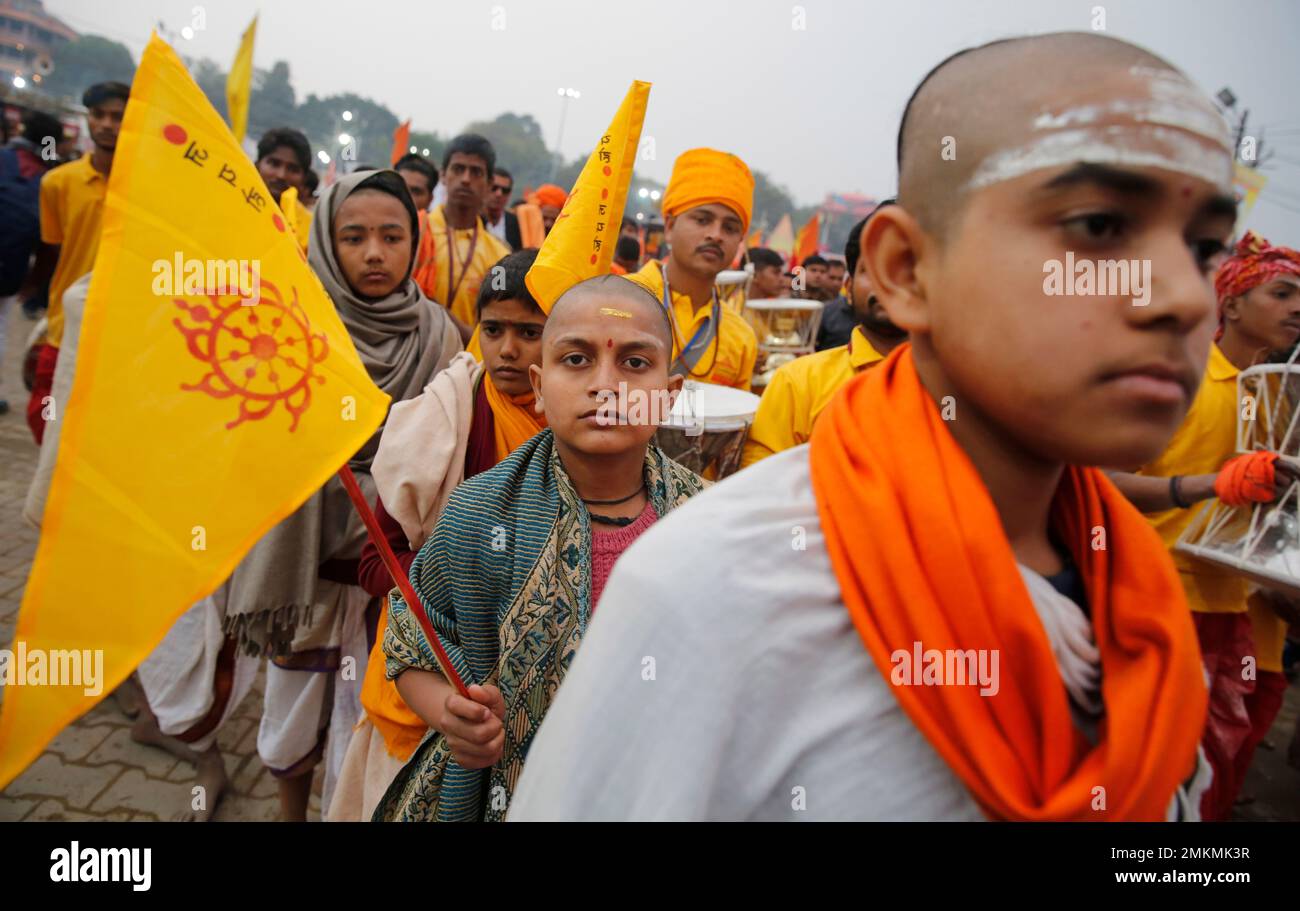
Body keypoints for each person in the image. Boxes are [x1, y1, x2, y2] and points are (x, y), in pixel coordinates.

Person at [509, 31, 1231, 821]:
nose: (1183, 297)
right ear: (905, 273)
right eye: (1099, 227)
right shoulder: (716, 590)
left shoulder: (1140, 605)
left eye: (1204, 249)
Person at [136, 169, 461, 821]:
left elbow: (443, 449)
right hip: (301, 557)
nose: (374, 252)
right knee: (293, 704)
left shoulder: (441, 335)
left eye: (392, 236)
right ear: (325, 240)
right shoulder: (291, 328)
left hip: (388, 567)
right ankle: (288, 810)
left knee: (365, 709)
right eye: (354, 236)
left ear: (415, 243)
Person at [375, 275, 706, 821]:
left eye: (635, 363)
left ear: (669, 396)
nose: (606, 384)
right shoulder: (479, 514)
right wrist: (452, 715)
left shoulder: (703, 522)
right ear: (539, 385)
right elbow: (411, 639)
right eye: (575, 360)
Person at [328, 249, 548, 820]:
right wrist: (439, 596)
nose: (507, 349)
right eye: (493, 328)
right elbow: (378, 560)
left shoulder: (578, 427)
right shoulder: (446, 416)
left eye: (530, 331)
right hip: (430, 672)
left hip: (532, 687)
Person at [1108, 230, 1300, 821]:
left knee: (1209, 773)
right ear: (1232, 304)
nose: (1298, 308)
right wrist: (1208, 485)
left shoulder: (1271, 397)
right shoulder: (1175, 379)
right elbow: (1098, 480)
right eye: (1283, 292)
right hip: (1155, 600)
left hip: (1231, 608)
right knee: (1149, 776)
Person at [741, 201, 906, 467]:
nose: (888, 281)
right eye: (874, 269)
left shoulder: (961, 387)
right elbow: (764, 483)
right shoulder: (797, 382)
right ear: (849, 288)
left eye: (905, 267)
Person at [21, 82, 127, 444]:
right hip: (63, 330)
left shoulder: (147, 192)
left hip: (117, 335)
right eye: (98, 115)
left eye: (118, 117)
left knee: (96, 435)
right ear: (87, 120)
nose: (107, 125)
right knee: (44, 419)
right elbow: (51, 250)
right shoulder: (57, 183)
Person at [625, 148, 759, 391]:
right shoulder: (617, 299)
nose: (715, 235)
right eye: (702, 220)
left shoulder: (741, 337)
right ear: (669, 226)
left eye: (729, 228)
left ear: (740, 242)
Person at [0, 109, 63, 416]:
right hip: (8, 272)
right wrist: (33, 283)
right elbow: (49, 245)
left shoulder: (4, 159)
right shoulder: (49, 180)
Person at [429, 134, 511, 341]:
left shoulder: (500, 257)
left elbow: (498, 324)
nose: (465, 179)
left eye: (476, 172)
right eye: (458, 169)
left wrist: (444, 321)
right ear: (443, 175)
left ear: (489, 182)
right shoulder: (415, 232)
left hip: (467, 364)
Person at [254, 127, 313, 252]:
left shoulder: (311, 229)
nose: (281, 175)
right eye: (274, 164)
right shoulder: (232, 203)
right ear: (258, 164)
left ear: (304, 178)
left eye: (293, 169)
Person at [394, 152, 440, 299]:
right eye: (401, 187)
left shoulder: (439, 242)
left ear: (430, 199)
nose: (407, 197)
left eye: (416, 192)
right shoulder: (367, 229)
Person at [483, 166, 522, 250]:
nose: (499, 194)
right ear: (484, 186)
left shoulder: (516, 224)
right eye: (494, 188)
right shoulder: (471, 219)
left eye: (505, 190)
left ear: (510, 193)